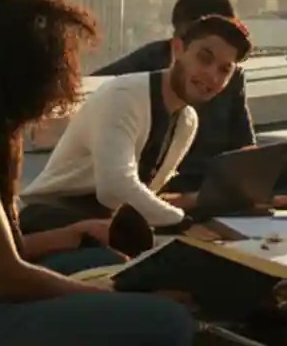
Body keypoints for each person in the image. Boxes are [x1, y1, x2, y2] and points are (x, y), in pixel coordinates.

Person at [0, 0, 195, 345]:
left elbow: (0, 251)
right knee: (169, 320)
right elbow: (9, 278)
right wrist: (115, 298)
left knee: (102, 260)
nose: (64, 81)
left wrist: (75, 232)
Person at [21, 15, 254, 230]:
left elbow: (145, 199)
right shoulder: (124, 96)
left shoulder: (187, 121)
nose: (212, 75)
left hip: (110, 226)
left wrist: (218, 200)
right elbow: (114, 190)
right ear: (177, 49)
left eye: (224, 70)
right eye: (204, 58)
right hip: (52, 220)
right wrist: (182, 222)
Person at [93, 0, 287, 192]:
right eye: (205, 56)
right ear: (180, 43)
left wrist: (253, 186)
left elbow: (244, 146)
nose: (213, 74)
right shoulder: (138, 74)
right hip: (165, 184)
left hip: (218, 179)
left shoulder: (232, 76)